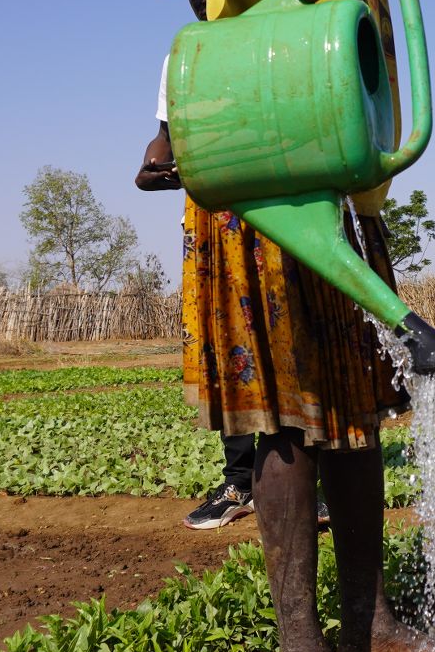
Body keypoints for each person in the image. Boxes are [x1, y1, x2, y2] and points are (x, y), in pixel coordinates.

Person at [139, 0, 435, 652]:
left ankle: (371, 624)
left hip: (344, 200)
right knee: (287, 425)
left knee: (355, 423)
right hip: (265, 193)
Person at [137, 34, 329, 533]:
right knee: (228, 345)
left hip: (280, 204)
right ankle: (240, 480)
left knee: (292, 340)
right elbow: (166, 134)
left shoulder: (276, 42)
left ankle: (315, 481)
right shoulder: (182, 58)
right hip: (215, 216)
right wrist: (154, 162)